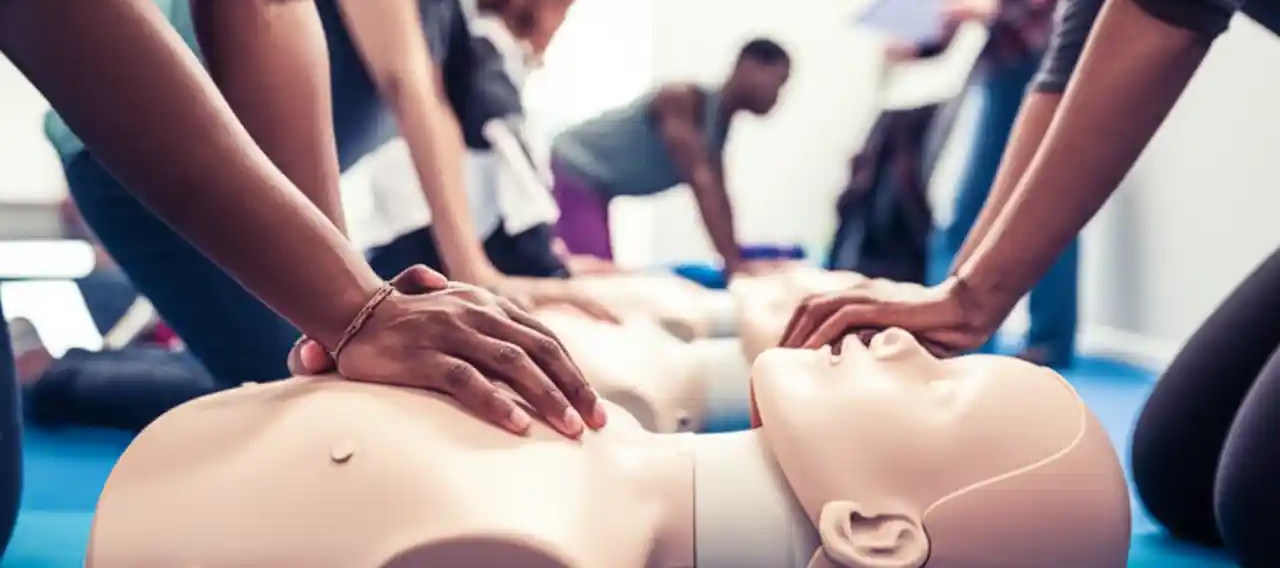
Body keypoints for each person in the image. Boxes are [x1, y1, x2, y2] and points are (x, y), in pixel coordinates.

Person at [0, 0, 604, 442]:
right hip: (127, 132)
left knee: (316, 372)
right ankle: (50, 374)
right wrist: (359, 305)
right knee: (285, 380)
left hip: (216, 148)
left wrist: (351, 311)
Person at [783, 0, 1280, 564]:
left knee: (1261, 507)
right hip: (1009, 64)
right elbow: (1068, 59)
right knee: (1176, 475)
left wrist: (972, 297)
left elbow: (1169, 3)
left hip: (1019, 50)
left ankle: (1048, 332)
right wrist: (954, 296)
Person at [88, 329, 1130, 568]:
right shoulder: (602, 445)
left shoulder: (549, 538)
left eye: (941, 388)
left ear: (872, 531)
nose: (905, 341)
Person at [853, 0, 1074, 367]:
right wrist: (909, 46)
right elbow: (939, 31)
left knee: (1050, 198)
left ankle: (1049, 341)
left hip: (1049, 58)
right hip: (999, 67)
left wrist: (975, 1)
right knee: (969, 202)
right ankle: (953, 335)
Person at [354, 0, 600, 289]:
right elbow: (522, 197)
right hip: (419, 244)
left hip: (408, 238)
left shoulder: (484, 52)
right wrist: (554, 272)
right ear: (545, 9)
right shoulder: (488, 64)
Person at [550, 39, 791, 274]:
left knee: (599, 273)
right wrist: (733, 265)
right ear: (746, 67)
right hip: (574, 169)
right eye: (777, 82)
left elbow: (719, 196)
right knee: (595, 278)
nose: (778, 95)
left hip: (595, 187)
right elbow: (702, 182)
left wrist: (736, 258)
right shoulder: (680, 99)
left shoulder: (717, 127)